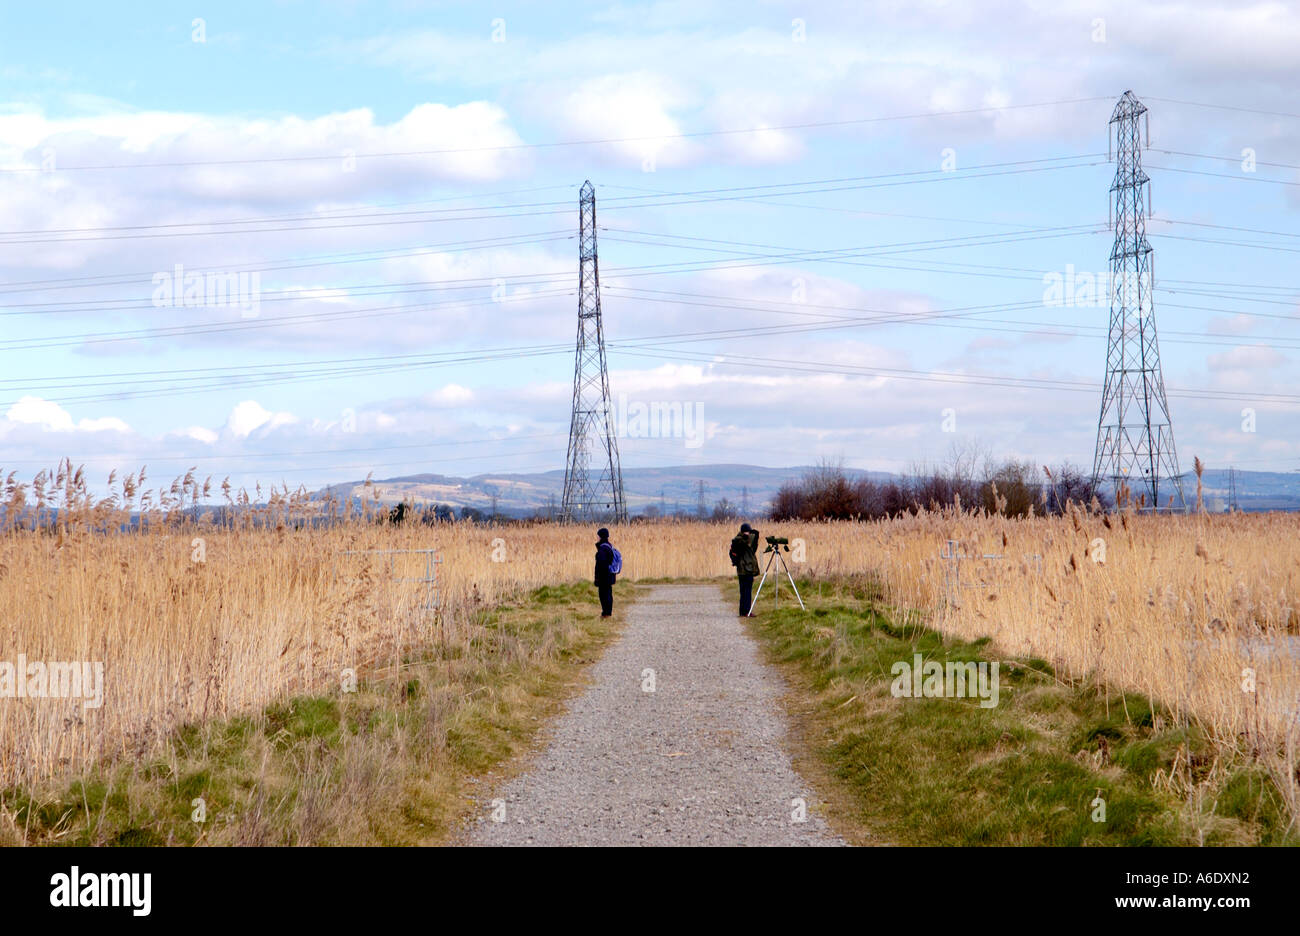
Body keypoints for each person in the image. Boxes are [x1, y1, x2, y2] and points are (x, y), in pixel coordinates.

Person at [729, 522, 760, 617]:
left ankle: (743, 611)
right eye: (748, 532)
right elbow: (741, 542)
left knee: (744, 591)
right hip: (745, 569)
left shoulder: (741, 540)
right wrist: (747, 536)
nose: (749, 535)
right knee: (746, 591)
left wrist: (755, 536)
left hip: (744, 570)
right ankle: (746, 611)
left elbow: (753, 548)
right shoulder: (739, 540)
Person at [594, 527, 617, 617]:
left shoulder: (603, 549)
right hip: (609, 576)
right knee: (608, 594)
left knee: (604, 595)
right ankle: (607, 613)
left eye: (598, 536)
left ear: (601, 536)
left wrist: (598, 578)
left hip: (604, 577)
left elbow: (602, 564)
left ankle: (606, 614)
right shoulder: (609, 546)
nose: (597, 537)